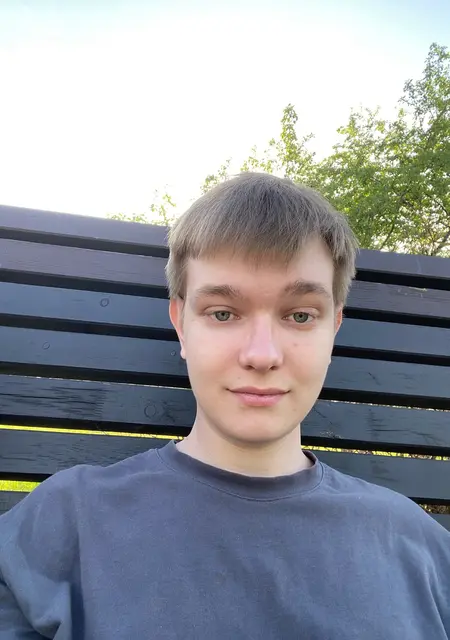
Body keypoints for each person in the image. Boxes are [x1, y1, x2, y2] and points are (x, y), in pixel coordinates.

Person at [0, 172, 449, 639]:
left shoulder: (419, 547)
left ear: (334, 327)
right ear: (181, 324)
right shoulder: (65, 523)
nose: (262, 355)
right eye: (223, 313)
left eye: (300, 315)